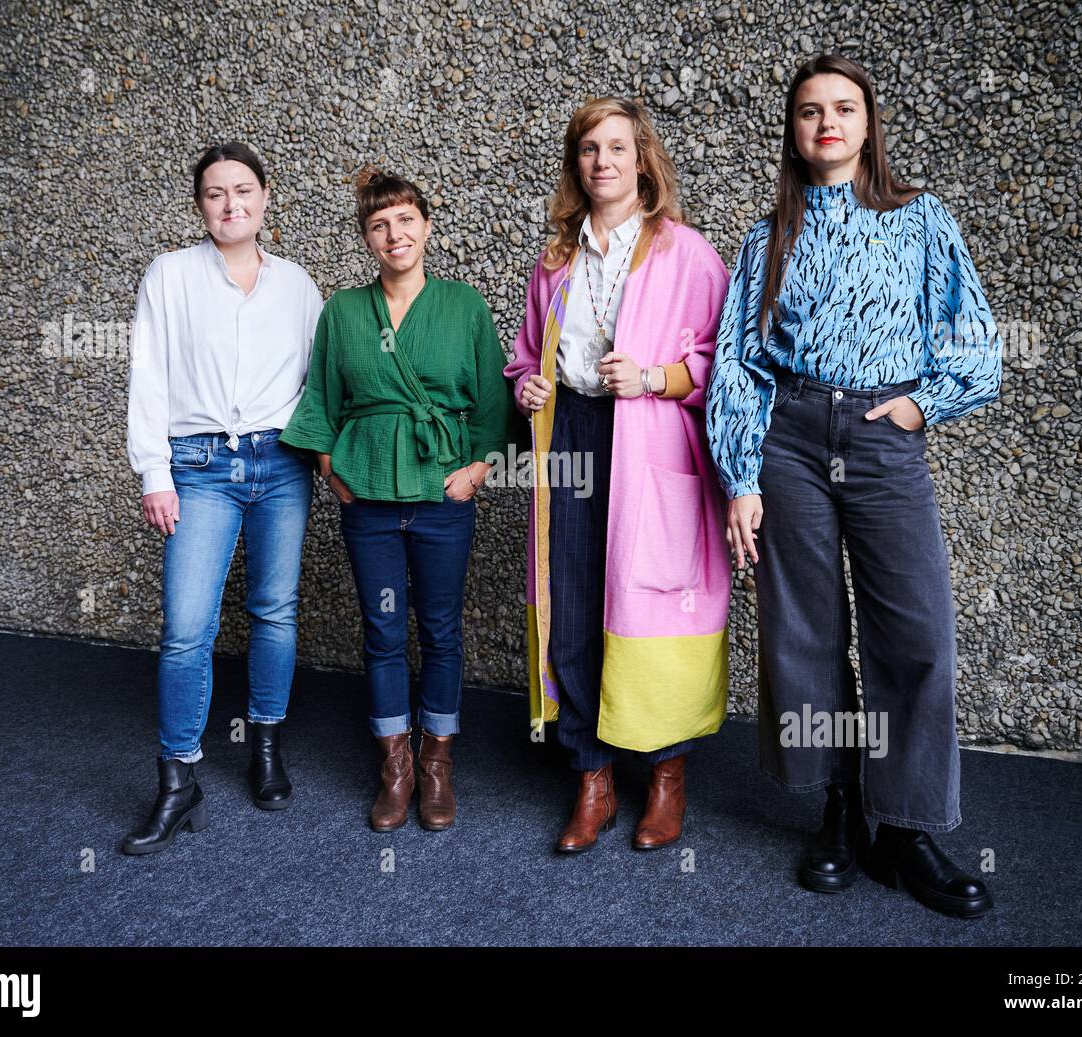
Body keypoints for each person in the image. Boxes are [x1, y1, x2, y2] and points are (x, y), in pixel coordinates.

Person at [706, 54, 1002, 917]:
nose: (826, 122)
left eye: (843, 108)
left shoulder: (920, 219)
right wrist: (741, 474)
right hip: (791, 438)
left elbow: (975, 334)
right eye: (809, 111)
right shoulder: (766, 240)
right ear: (793, 133)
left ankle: (904, 828)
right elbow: (736, 364)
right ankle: (838, 807)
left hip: (881, 438)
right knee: (806, 631)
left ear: (868, 125)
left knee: (914, 630)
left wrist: (923, 404)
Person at [505, 98, 731, 854]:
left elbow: (720, 365)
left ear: (643, 160)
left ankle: (666, 775)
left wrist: (658, 376)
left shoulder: (686, 253)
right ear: (577, 166)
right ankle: (592, 778)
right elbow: (526, 353)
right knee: (571, 598)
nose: (602, 161)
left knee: (649, 606)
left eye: (616, 148)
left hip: (651, 440)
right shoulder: (556, 259)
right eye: (588, 150)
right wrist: (527, 386)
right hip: (570, 431)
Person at [281, 164, 509, 832]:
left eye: (405, 218)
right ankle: (396, 764)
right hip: (370, 499)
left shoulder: (462, 305)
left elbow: (492, 405)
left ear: (427, 226)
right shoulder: (344, 311)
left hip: (442, 495)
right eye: (379, 224)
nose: (394, 233)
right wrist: (332, 472)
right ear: (366, 239)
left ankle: (438, 762)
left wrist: (476, 471)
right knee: (382, 630)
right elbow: (321, 398)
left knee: (439, 628)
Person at [121, 142, 323, 855]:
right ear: (199, 204)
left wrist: (323, 456)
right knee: (186, 627)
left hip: (280, 464)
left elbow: (315, 384)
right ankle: (179, 777)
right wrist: (155, 472)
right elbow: (147, 376)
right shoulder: (170, 276)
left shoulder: (299, 286)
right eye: (215, 193)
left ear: (267, 197)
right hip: (199, 464)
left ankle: (265, 745)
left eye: (243, 190)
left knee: (274, 610)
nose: (231, 204)